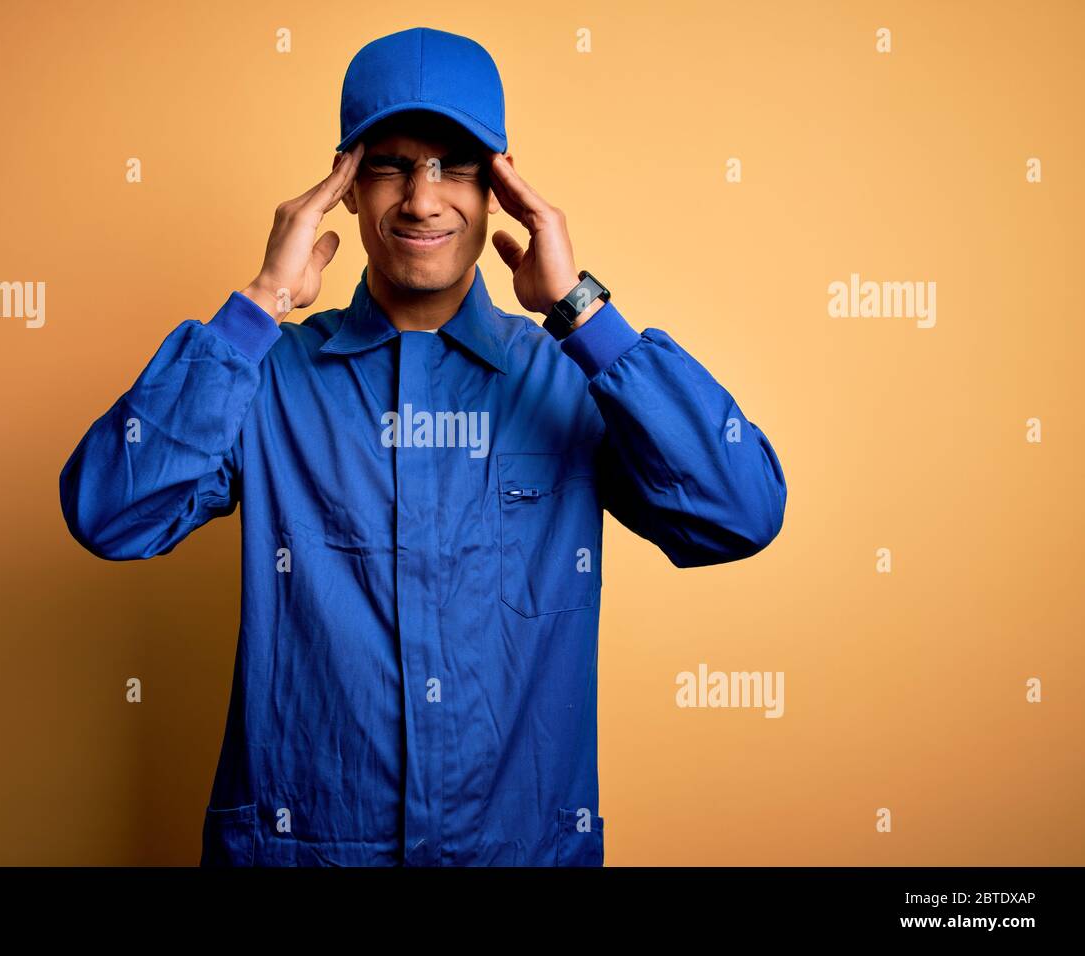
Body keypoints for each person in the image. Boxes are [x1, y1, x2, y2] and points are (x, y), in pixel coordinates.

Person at [58, 26, 787, 866]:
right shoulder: (264, 377)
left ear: (500, 188)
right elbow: (109, 513)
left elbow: (741, 512)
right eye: (392, 164)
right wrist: (256, 306)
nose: (423, 199)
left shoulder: (571, 379)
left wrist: (585, 313)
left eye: (455, 166)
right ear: (347, 186)